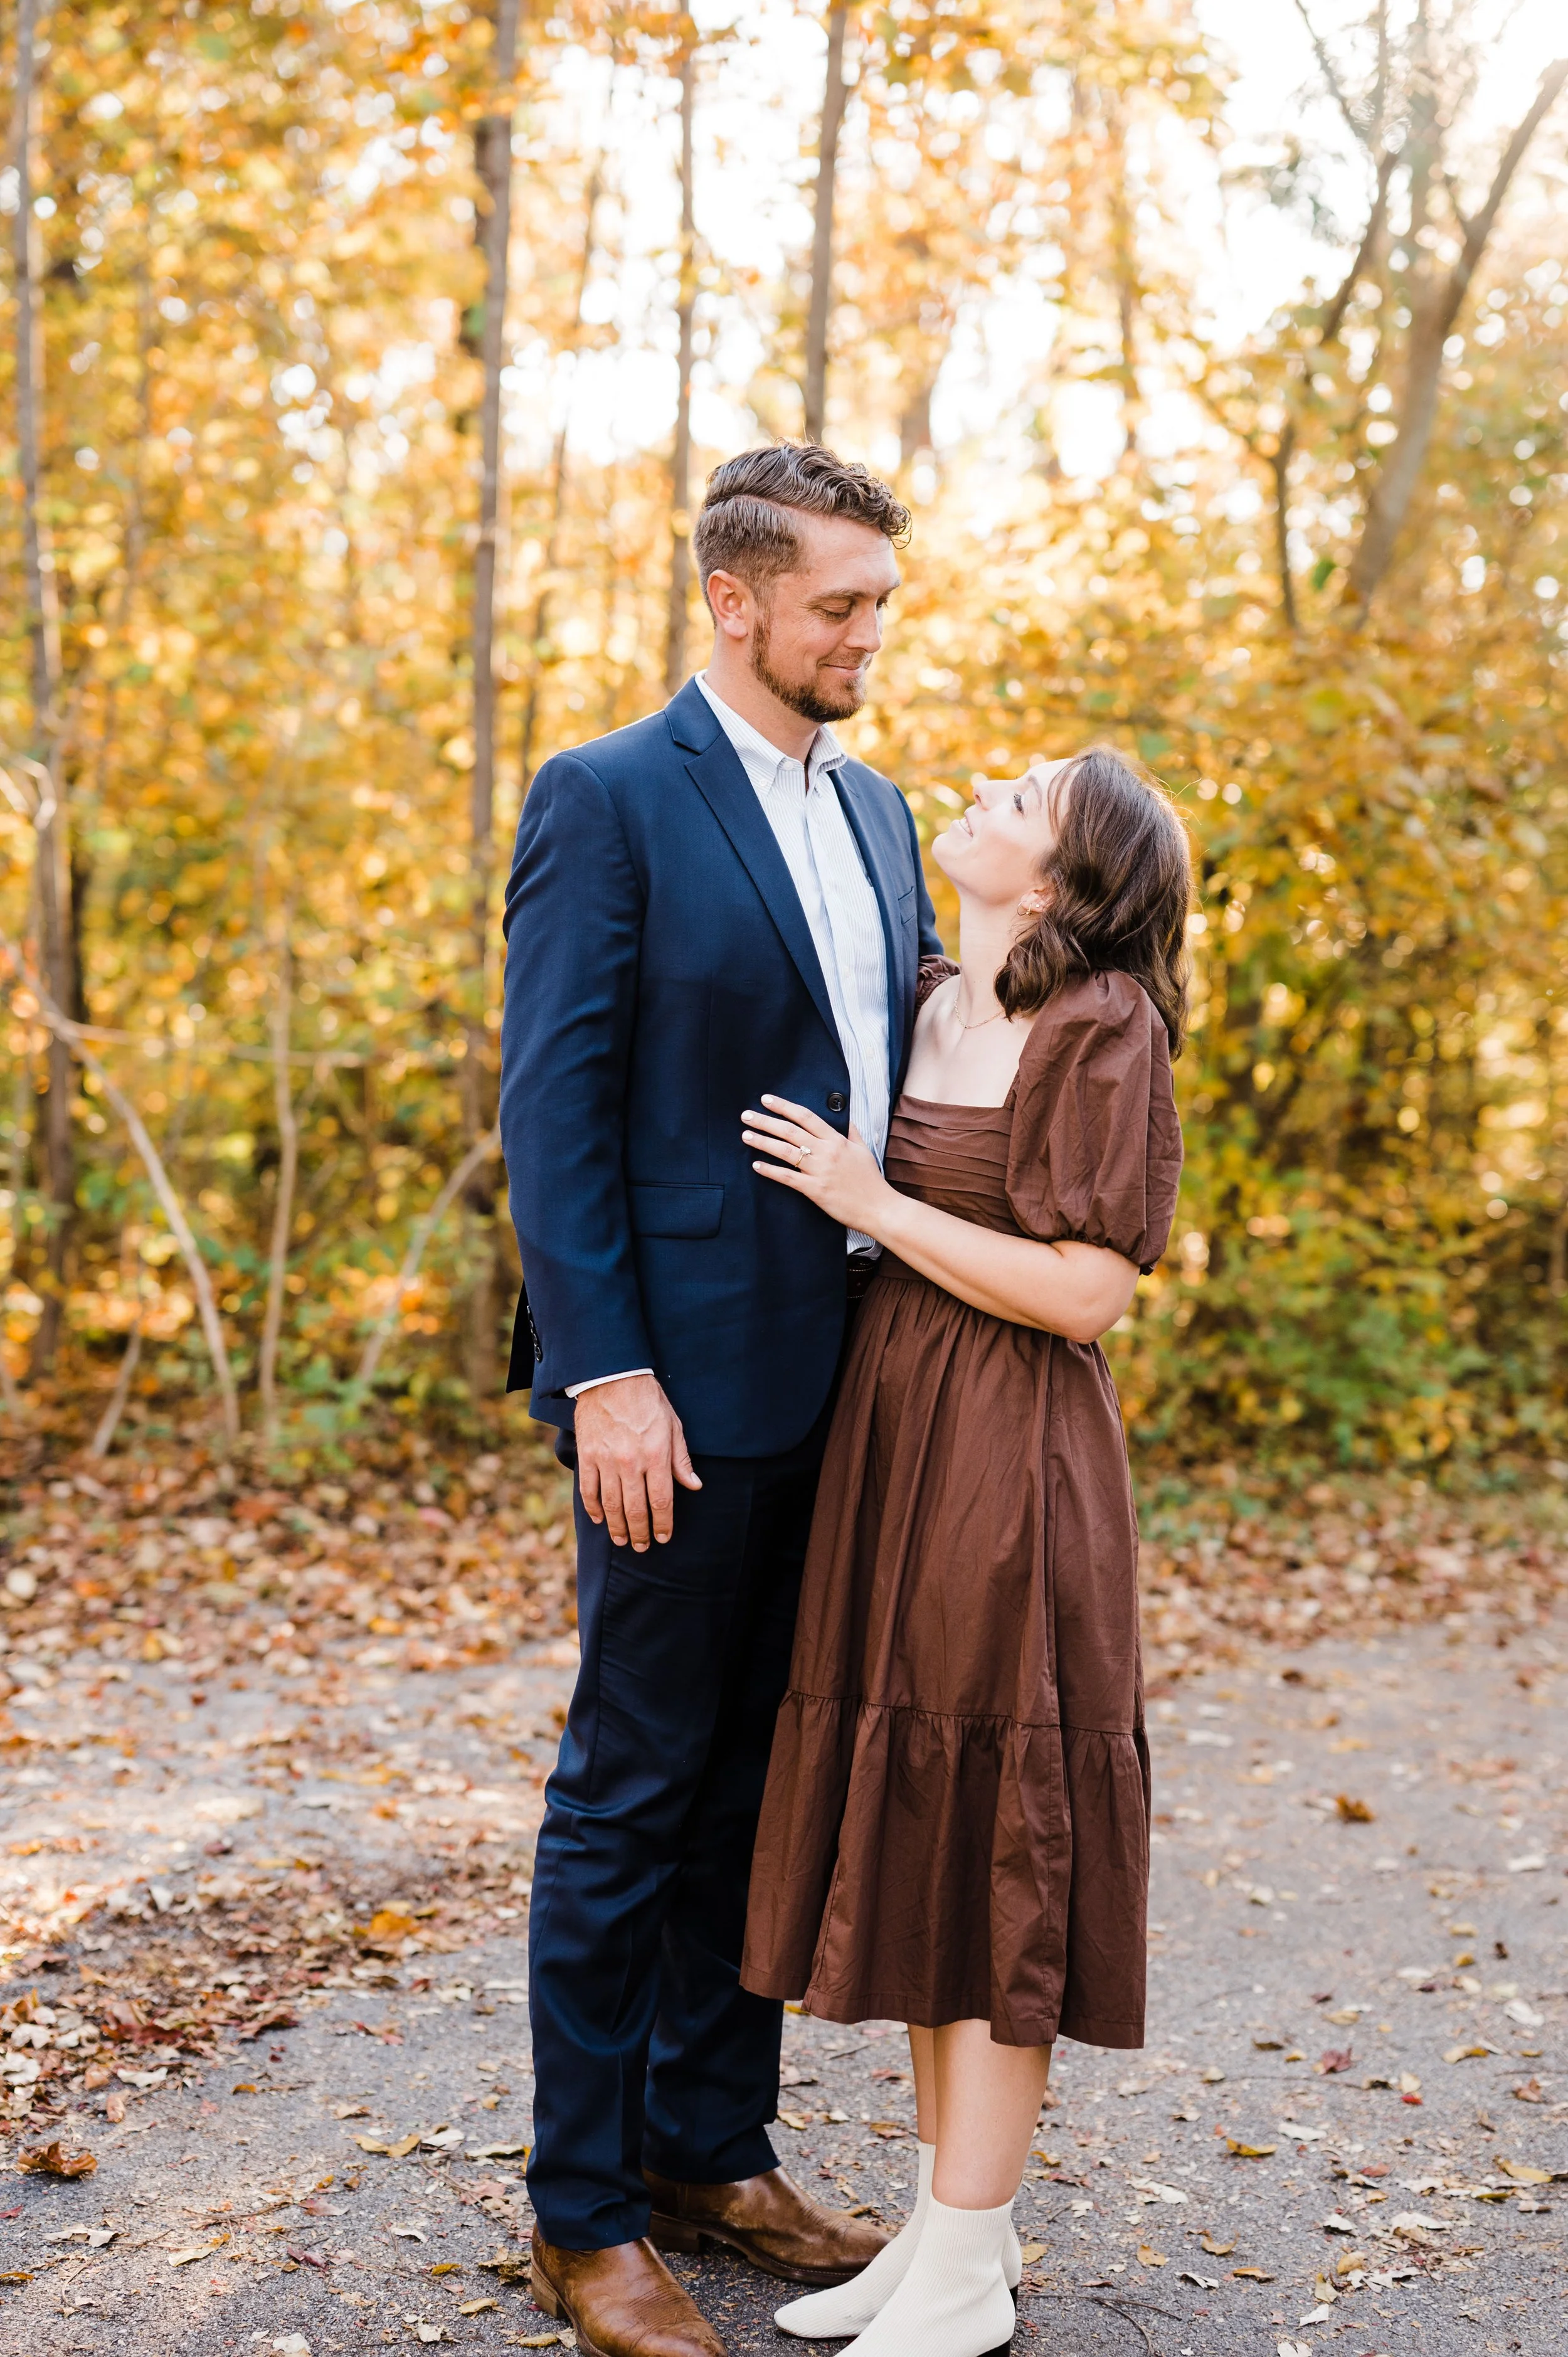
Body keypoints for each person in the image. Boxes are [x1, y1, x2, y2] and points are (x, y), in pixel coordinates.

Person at [499, 443, 946, 2357]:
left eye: (880, 601)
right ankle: (582, 2212)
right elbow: (553, 1103)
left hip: (854, 1389)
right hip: (670, 1394)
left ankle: (708, 2138)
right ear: (735, 601)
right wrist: (604, 1369)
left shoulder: (883, 810)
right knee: (631, 1787)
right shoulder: (606, 796)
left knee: (761, 1787)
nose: (867, 633)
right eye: (839, 601)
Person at [738, 745, 1190, 2357]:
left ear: (1058, 884)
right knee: (927, 1827)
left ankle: (973, 2255)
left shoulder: (1100, 1027)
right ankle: (940, 2239)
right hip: (893, 1444)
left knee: (998, 1837)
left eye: (1025, 798)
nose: (986, 789)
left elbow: (1084, 1291)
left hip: (1010, 1455)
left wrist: (872, 1197)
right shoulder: (925, 992)